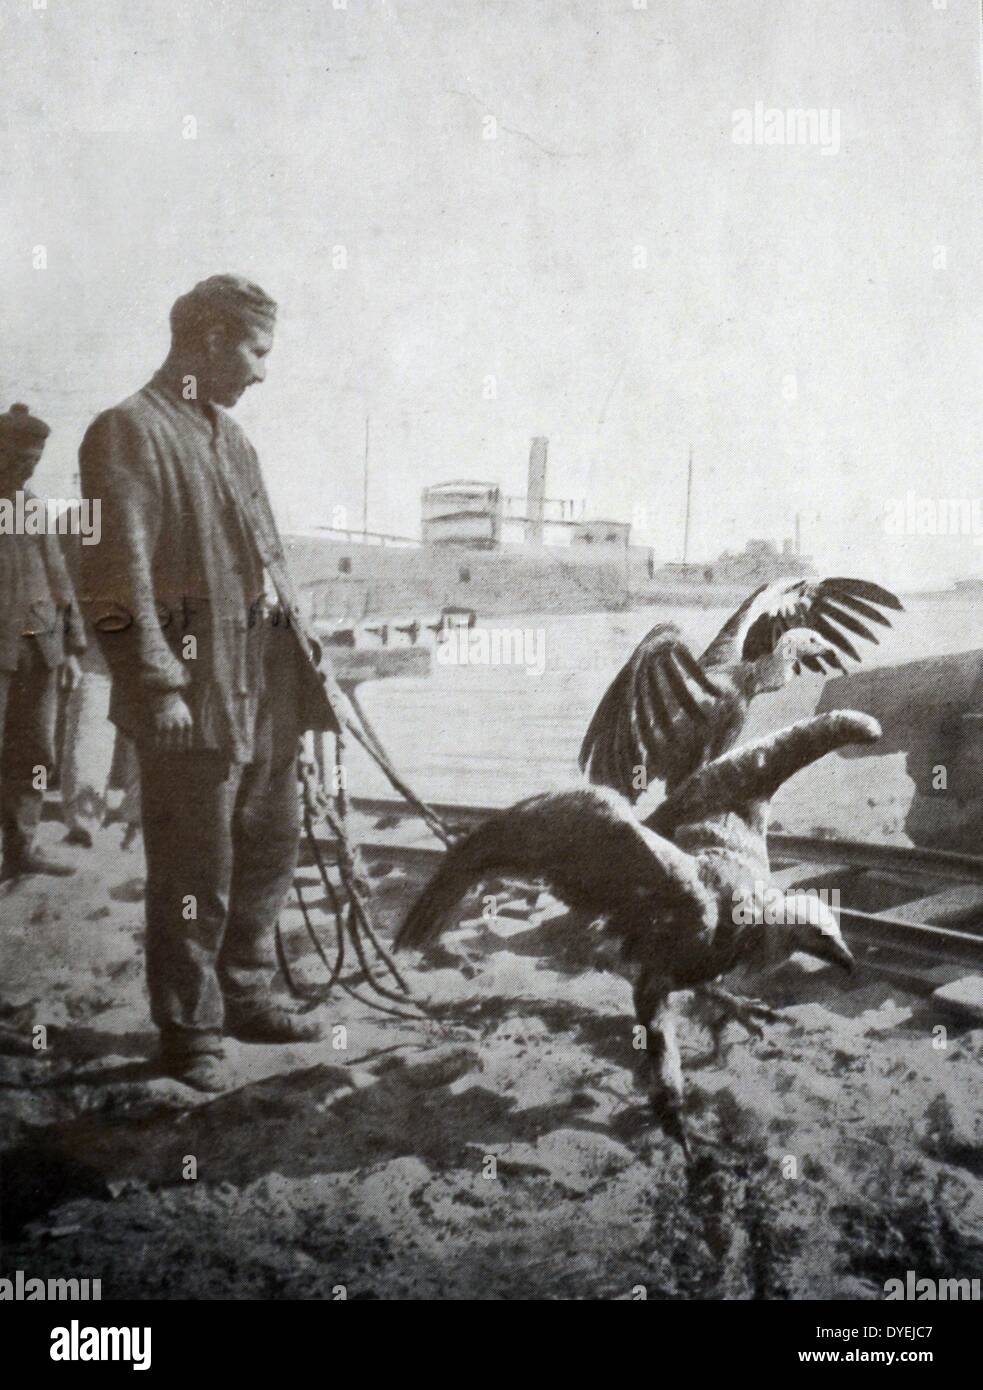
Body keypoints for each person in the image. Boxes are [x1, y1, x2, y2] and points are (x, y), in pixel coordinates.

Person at [78, 275, 340, 1091]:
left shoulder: (234, 441)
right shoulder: (127, 431)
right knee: (194, 866)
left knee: (268, 842)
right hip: (192, 695)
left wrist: (305, 641)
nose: (264, 371)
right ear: (215, 339)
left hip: (265, 684)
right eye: (258, 350)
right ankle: (189, 1029)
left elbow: (269, 559)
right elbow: (112, 581)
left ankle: (248, 993)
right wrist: (158, 688)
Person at [0, 404, 84, 881]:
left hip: (40, 651)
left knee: (34, 754)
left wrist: (71, 647)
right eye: (17, 459)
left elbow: (59, 577)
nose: (26, 469)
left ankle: (22, 847)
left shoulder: (32, 507)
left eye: (33, 462)